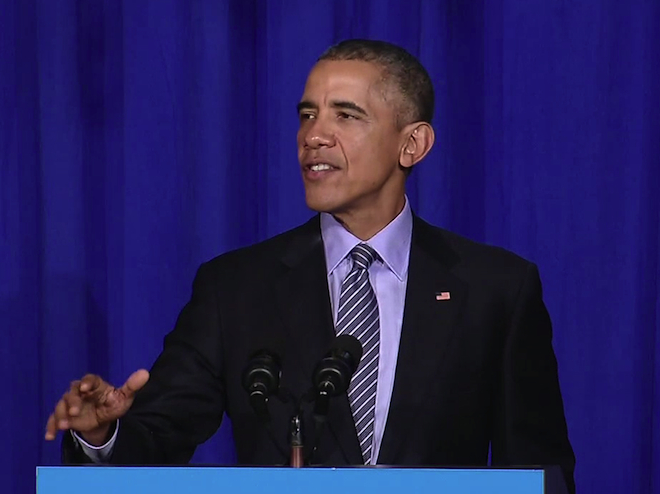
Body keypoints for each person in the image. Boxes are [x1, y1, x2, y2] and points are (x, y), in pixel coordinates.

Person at [45, 39, 576, 492]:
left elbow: (539, 469)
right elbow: (157, 440)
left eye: (345, 115)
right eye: (307, 114)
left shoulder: (496, 289)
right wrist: (101, 436)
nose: (313, 136)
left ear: (412, 144)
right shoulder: (234, 288)